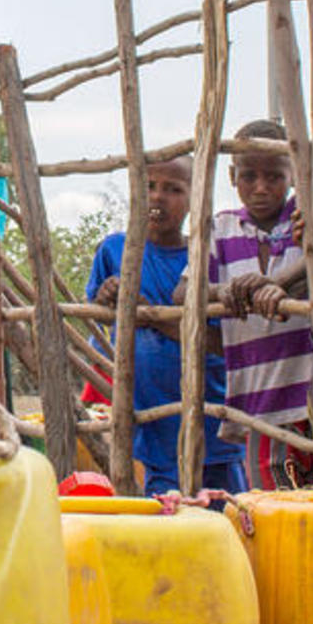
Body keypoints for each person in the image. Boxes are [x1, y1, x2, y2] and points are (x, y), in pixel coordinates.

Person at [87, 157, 247, 496]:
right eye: (148, 187)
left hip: (211, 414)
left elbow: (225, 344)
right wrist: (106, 297)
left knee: (226, 509)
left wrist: (158, 322)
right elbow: (95, 320)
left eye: (173, 189)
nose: (158, 197)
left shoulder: (206, 256)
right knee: (164, 509)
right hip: (150, 417)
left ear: (195, 200)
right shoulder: (116, 251)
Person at [178, 119, 313, 490]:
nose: (260, 187)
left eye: (274, 176)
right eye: (248, 176)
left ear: (293, 175)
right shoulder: (220, 230)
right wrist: (221, 292)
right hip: (255, 393)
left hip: (310, 391)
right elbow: (182, 294)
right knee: (269, 498)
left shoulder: (307, 221)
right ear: (231, 175)